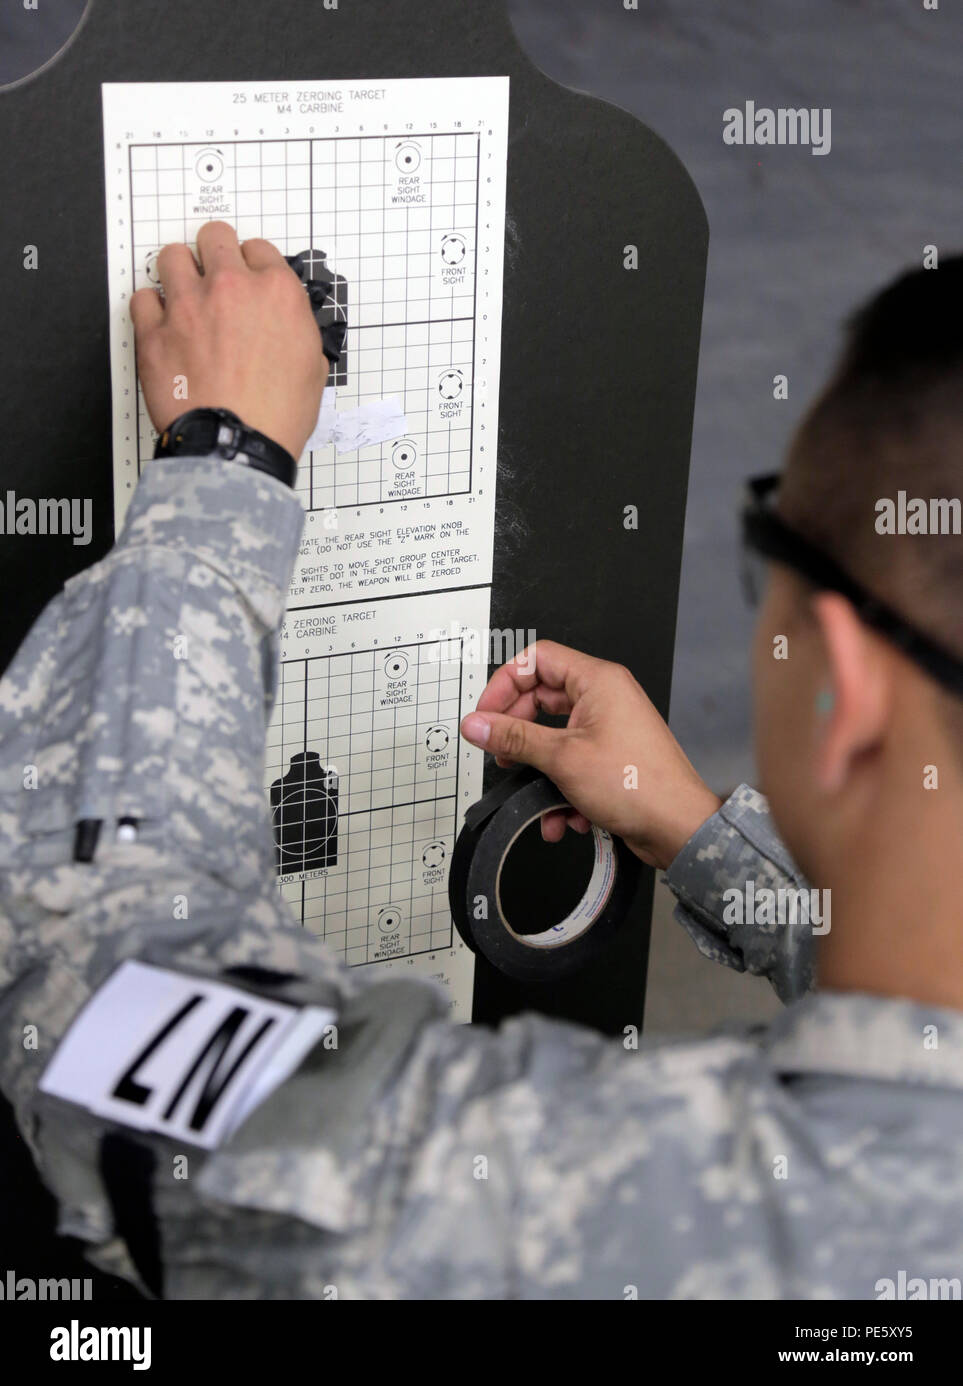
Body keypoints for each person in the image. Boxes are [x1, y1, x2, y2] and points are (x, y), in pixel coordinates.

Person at [0, 221, 960, 1300]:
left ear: (846, 690)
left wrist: (225, 467)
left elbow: (110, 1022)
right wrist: (703, 836)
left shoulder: (607, 1208)